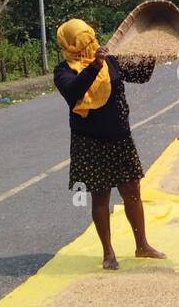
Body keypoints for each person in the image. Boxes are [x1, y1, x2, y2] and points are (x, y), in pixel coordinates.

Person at [53, 19, 167, 269]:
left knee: (132, 194)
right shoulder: (63, 71)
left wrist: (150, 53)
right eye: (82, 40)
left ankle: (142, 245)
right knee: (100, 196)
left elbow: (140, 76)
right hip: (89, 140)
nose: (89, 44)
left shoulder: (111, 60)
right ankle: (108, 252)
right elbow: (74, 92)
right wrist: (95, 65)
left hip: (120, 136)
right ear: (69, 43)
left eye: (90, 38)